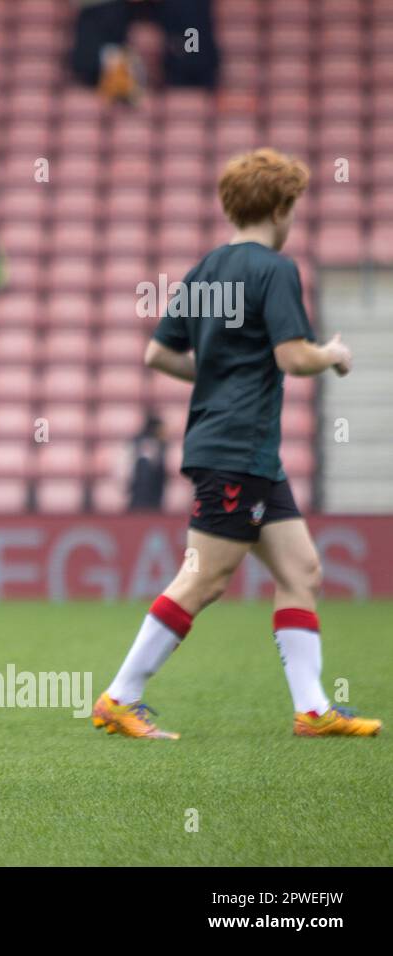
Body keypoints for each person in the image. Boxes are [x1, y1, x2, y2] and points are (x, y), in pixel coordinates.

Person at [92, 148, 382, 740]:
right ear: (281, 206)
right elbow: (293, 356)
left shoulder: (207, 268)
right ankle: (119, 698)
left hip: (244, 451)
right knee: (204, 579)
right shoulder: (275, 269)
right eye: (294, 206)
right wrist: (332, 355)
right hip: (236, 447)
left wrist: (220, 378)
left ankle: (311, 709)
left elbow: (158, 353)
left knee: (302, 569)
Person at [125, 411, 166, 512]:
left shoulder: (159, 444)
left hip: (153, 495)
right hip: (142, 498)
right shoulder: (147, 443)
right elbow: (144, 474)